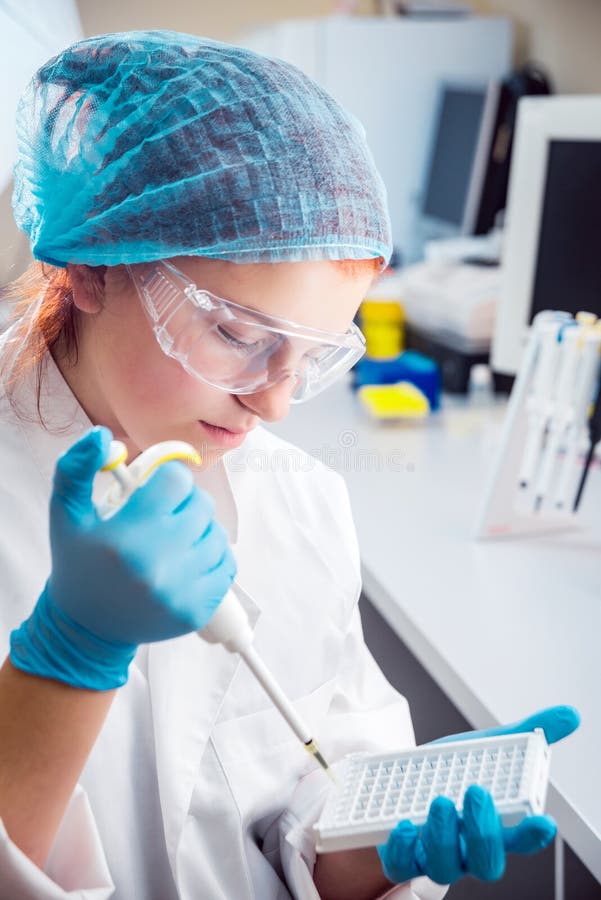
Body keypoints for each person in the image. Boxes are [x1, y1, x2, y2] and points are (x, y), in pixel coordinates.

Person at [0, 30, 578, 900]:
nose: (272, 404)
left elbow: (301, 826)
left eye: (309, 356)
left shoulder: (297, 503)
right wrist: (67, 656)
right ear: (89, 268)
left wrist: (384, 844)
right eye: (236, 334)